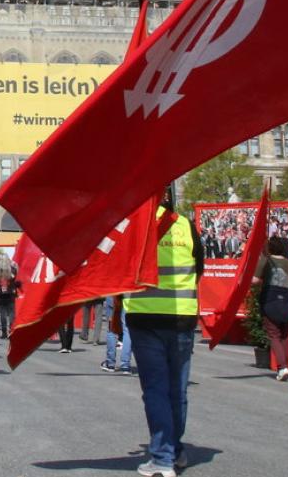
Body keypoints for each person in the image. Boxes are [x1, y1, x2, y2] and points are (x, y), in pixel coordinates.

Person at [126, 194, 203, 477]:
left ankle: (161, 459)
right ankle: (176, 449)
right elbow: (199, 268)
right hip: (182, 316)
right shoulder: (187, 225)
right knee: (177, 390)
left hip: (145, 317)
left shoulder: (136, 225)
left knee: (156, 389)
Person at [254, 236, 288, 381]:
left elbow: (255, 280)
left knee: (274, 334)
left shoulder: (266, 261)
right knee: (285, 335)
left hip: (270, 299)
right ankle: (285, 366)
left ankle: (282, 366)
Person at [100, 296, 134, 375]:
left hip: (113, 293)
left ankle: (110, 363)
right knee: (127, 330)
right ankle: (125, 365)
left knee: (111, 328)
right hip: (128, 296)